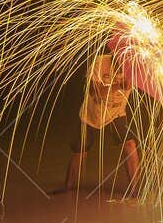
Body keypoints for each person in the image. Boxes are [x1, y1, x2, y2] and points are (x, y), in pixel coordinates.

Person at [56, 49, 137, 196]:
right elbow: (94, 91)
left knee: (130, 144)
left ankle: (134, 190)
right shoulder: (100, 62)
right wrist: (117, 86)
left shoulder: (133, 68)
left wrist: (129, 82)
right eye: (120, 59)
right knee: (80, 151)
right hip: (92, 114)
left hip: (116, 113)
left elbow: (135, 85)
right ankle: (67, 188)